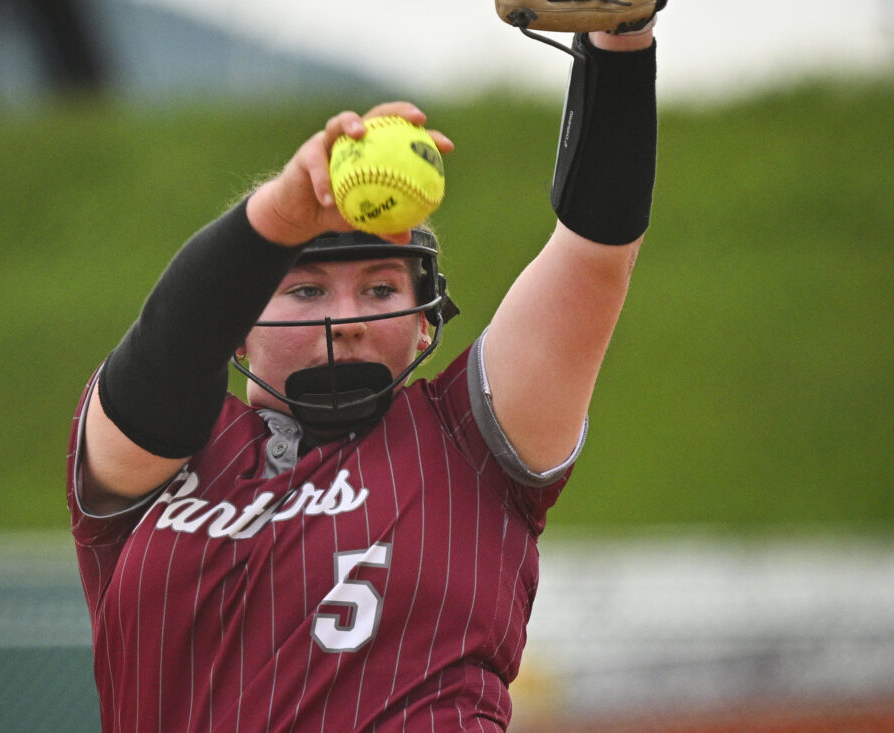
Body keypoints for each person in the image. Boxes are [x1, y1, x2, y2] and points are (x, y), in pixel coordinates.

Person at [66, 21, 660, 733]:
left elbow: (595, 252)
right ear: (238, 324)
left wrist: (621, 43)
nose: (343, 316)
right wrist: (278, 217)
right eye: (306, 288)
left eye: (380, 289)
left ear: (423, 321)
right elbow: (168, 348)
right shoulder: (159, 458)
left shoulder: (466, 441)